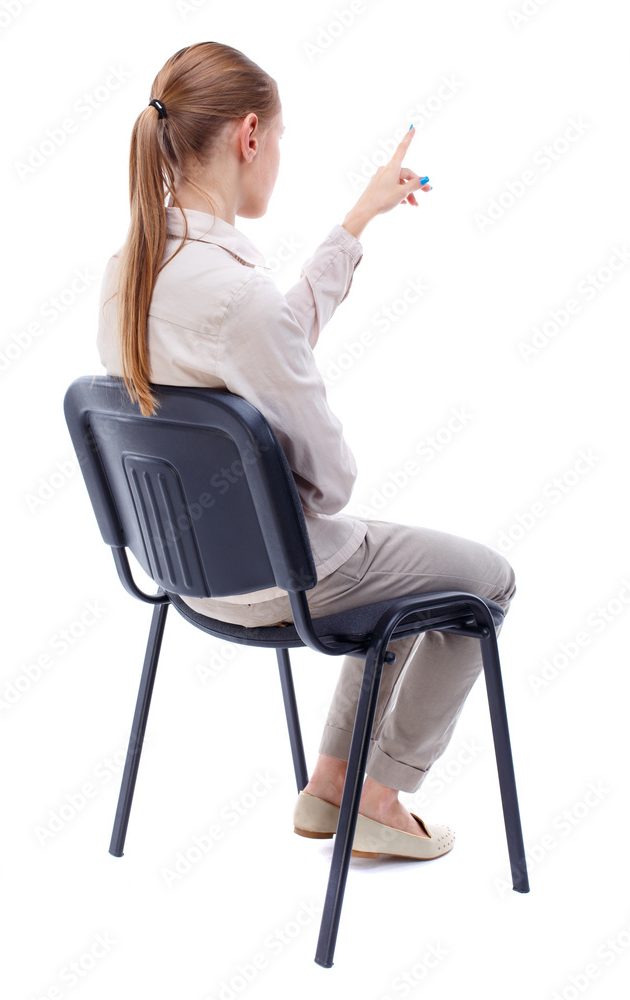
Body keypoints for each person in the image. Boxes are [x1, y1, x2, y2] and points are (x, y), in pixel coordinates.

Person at [97, 41, 516, 861]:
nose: (277, 156)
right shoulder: (236, 293)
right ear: (249, 135)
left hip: (180, 578)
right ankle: (378, 792)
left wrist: (355, 222)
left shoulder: (129, 270)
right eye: (279, 138)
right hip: (282, 581)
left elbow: (260, 342)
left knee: (398, 571)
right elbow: (328, 486)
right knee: (483, 581)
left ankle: (329, 790)